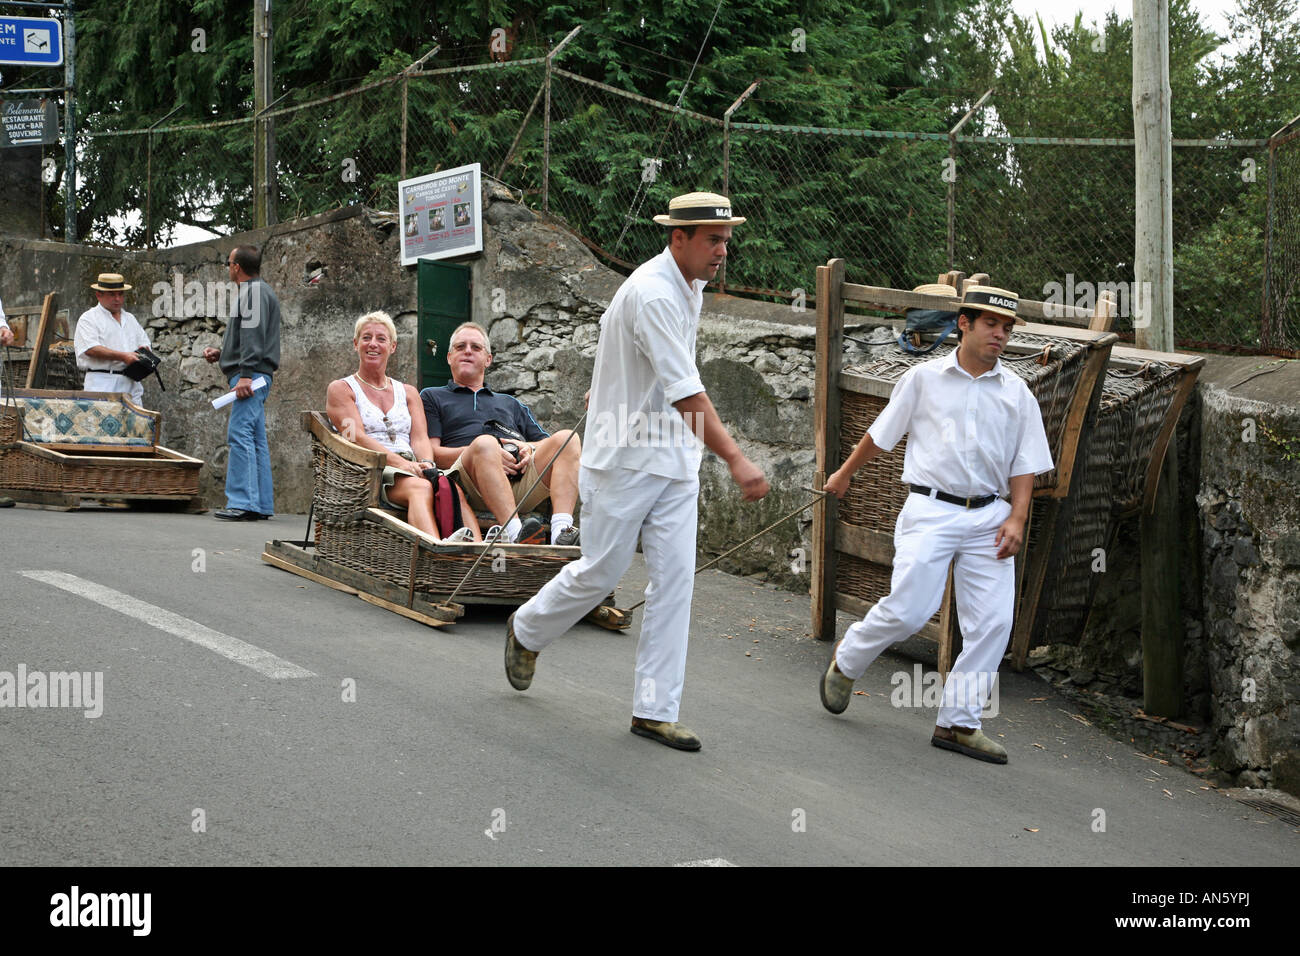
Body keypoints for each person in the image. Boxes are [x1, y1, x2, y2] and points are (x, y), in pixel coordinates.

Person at [502, 191, 770, 753]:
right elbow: (687, 394)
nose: (723, 251)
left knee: (675, 583)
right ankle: (527, 629)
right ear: (679, 238)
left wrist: (606, 378)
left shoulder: (686, 284)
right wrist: (738, 459)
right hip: (622, 461)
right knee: (602, 572)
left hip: (674, 461)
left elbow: (613, 328)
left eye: (726, 239)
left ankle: (654, 710)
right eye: (713, 240)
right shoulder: (652, 292)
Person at [818, 284, 1054, 764]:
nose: (1001, 335)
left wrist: (1017, 517)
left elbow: (1025, 462)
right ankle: (849, 659)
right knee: (909, 610)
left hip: (989, 514)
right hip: (930, 509)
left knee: (993, 622)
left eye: (1007, 328)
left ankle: (958, 724)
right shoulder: (923, 378)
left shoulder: (1017, 393)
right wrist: (843, 474)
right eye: (991, 324)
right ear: (964, 324)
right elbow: (882, 434)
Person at [420, 322, 581, 546]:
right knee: (485, 444)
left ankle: (561, 532)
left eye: (476, 347)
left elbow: (546, 443)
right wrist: (488, 452)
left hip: (519, 479)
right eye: (460, 347)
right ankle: (516, 533)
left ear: (488, 359)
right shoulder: (431, 396)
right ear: (449, 357)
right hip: (468, 482)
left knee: (568, 439)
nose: (467, 351)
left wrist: (528, 448)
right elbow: (432, 454)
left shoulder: (510, 403)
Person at [326, 312, 478, 540]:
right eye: (366, 338)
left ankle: (478, 552)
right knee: (421, 488)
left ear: (393, 346)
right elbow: (354, 436)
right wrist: (401, 464)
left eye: (381, 339)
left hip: (412, 465)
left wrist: (426, 464)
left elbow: (419, 438)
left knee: (451, 488)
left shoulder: (408, 392)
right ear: (356, 344)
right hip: (370, 468)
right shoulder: (341, 389)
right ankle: (436, 554)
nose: (373, 344)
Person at [203, 245, 281, 521]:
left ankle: (243, 502)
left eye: (229, 263)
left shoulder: (253, 293)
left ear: (236, 267)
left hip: (252, 376)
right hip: (257, 373)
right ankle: (259, 503)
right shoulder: (260, 291)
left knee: (240, 434)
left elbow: (252, 336)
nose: (228, 268)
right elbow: (252, 336)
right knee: (255, 438)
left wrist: (245, 374)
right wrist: (223, 354)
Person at [73, 274, 151, 406]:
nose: (117, 299)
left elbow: (144, 343)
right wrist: (123, 356)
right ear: (99, 295)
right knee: (101, 424)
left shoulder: (130, 319)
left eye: (120, 294)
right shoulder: (89, 318)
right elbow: (91, 348)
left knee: (134, 425)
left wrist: (144, 353)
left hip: (130, 382)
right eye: (112, 295)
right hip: (102, 382)